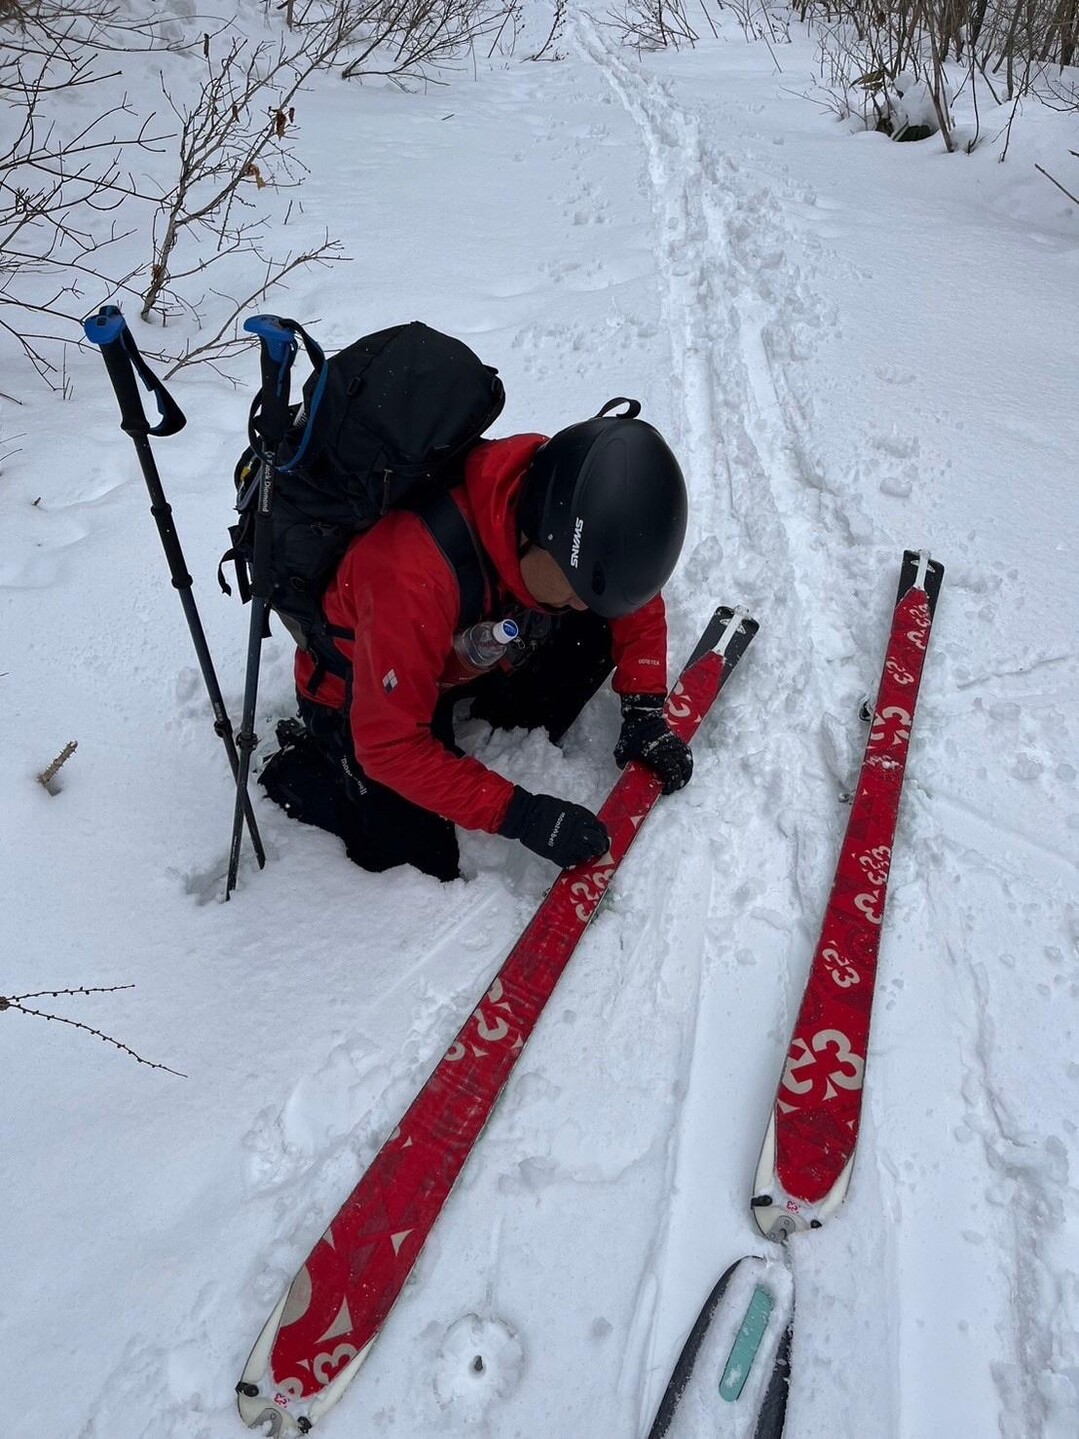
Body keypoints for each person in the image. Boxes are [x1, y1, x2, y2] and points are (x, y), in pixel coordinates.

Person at [259, 401, 693, 881]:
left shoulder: (550, 495)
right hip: (365, 687)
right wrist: (521, 815)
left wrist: (644, 706)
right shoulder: (411, 576)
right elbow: (390, 747)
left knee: (592, 626)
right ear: (539, 535)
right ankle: (305, 767)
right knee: (417, 853)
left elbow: (625, 592)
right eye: (577, 589)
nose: (584, 603)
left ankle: (459, 708)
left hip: (461, 650)